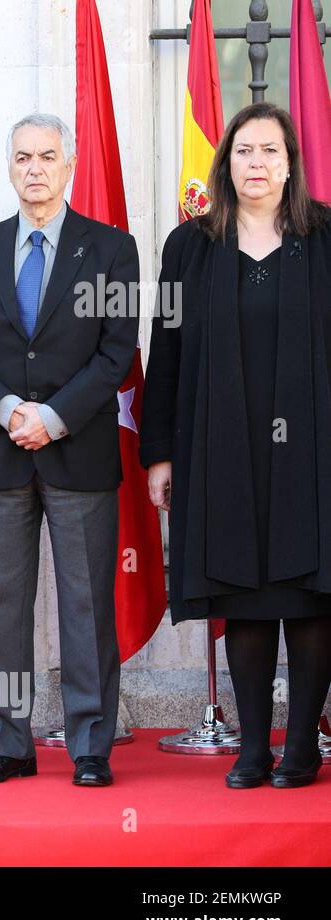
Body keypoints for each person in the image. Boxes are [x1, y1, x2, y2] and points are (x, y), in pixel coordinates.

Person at [0, 113, 138, 787]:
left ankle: (89, 746)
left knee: (86, 605)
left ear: (69, 165)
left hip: (77, 451)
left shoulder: (112, 249)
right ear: (9, 167)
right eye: (23, 156)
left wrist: (53, 416)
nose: (35, 168)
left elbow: (117, 350)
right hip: (0, 453)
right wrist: (7, 411)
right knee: (1, 605)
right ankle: (8, 744)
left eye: (47, 156)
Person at [141, 101, 331, 790]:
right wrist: (158, 453)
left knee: (307, 595)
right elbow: (163, 354)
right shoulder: (189, 247)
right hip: (219, 448)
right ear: (226, 163)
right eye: (245, 151)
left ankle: (302, 746)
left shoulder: (328, 238)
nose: (257, 163)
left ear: (291, 165)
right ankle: (254, 747)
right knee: (243, 594)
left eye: (270, 152)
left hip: (313, 452)